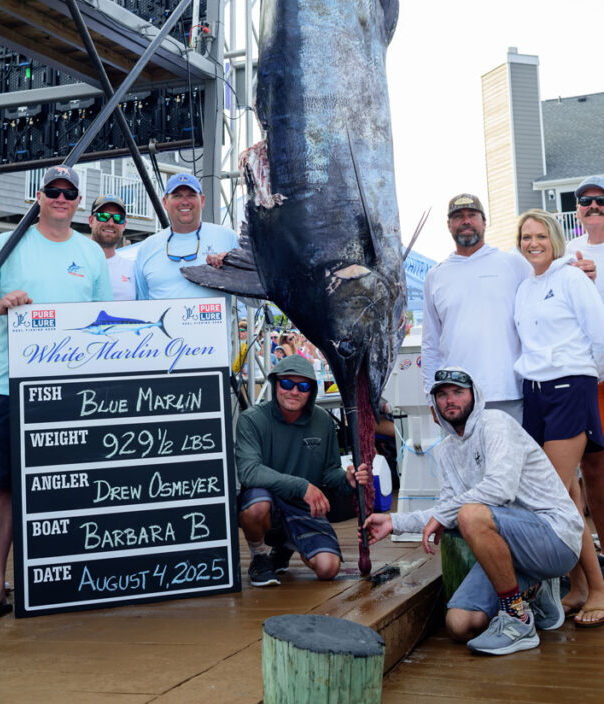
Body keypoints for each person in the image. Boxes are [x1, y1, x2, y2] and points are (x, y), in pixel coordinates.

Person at [0, 165, 112, 625]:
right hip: (10, 384)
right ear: (38, 197)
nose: (61, 198)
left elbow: (105, 319)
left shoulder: (91, 252)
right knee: (0, 483)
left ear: (79, 201)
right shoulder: (8, 245)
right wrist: (0, 303)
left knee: (72, 484)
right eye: (53, 191)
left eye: (69, 192)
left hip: (75, 388)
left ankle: (64, 580)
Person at [364, 369, 582, 656]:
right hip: (509, 549)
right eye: (442, 394)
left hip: (554, 537)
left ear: (474, 395)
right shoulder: (447, 450)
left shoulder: (496, 424)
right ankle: (534, 592)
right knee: (459, 624)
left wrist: (446, 516)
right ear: (435, 404)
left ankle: (518, 618)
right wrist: (395, 521)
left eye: (458, 392)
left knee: (470, 515)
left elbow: (499, 488)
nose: (450, 400)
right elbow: (446, 509)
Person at [422, 193, 596, 419]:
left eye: (472, 215)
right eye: (458, 216)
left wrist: (581, 267)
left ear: (484, 222)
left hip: (509, 393)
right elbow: (430, 343)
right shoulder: (435, 276)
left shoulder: (514, 263)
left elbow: (550, 266)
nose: (465, 221)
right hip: (456, 398)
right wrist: (430, 396)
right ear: (448, 225)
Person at [514, 208, 604, 628]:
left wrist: (590, 379)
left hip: (571, 387)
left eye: (540, 236)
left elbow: (598, 331)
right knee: (565, 495)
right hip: (534, 392)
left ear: (554, 239)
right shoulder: (525, 288)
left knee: (552, 494)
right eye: (526, 237)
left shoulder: (570, 277)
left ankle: (599, 588)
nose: (533, 243)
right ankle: (579, 586)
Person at [235, 354, 369, 587]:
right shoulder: (251, 419)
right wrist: (302, 486)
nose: (294, 391)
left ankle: (285, 546)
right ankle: (258, 556)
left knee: (328, 568)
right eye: (287, 383)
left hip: (303, 508)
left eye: (303, 386)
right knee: (257, 505)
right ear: (276, 384)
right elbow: (249, 472)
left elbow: (329, 473)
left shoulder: (323, 421)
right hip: (268, 502)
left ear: (312, 391)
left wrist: (348, 479)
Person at [566, 176, 604, 587]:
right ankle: (600, 556)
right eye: (585, 201)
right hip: (587, 379)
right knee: (593, 469)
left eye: (600, 200)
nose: (593, 206)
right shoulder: (565, 257)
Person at [134, 173, 238, 301]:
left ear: (203, 200)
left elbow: (255, 300)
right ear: (165, 202)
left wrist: (231, 268)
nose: (184, 202)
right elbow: (142, 303)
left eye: (191, 195)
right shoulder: (146, 248)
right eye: (177, 196)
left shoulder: (228, 238)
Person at [88, 193, 135, 300]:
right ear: (91, 221)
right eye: (104, 216)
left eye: (118, 218)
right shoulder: (76, 260)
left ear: (124, 225)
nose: (110, 223)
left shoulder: (132, 268)